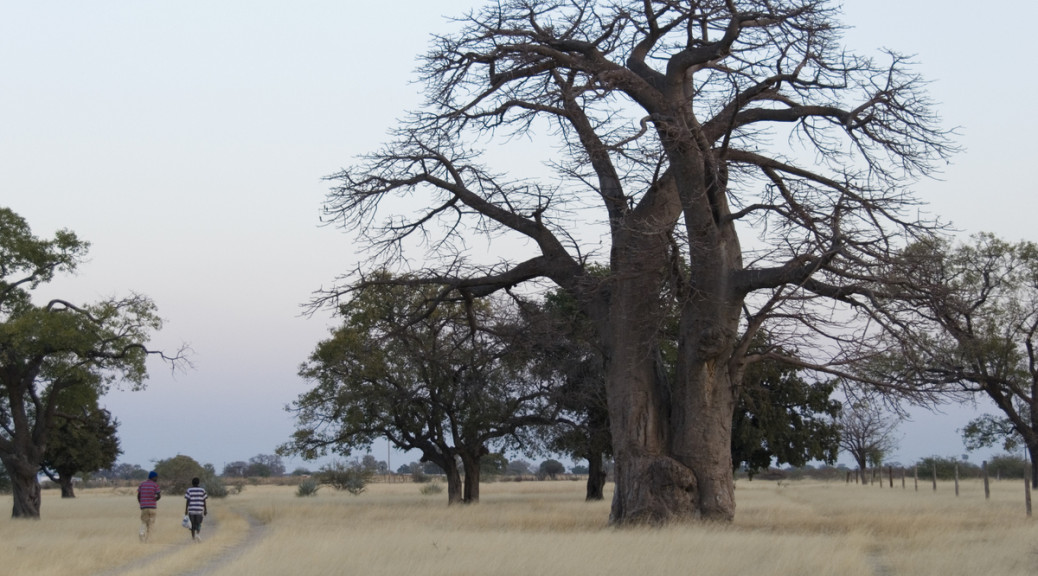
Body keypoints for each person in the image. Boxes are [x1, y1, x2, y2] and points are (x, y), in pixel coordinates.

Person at [137, 471, 161, 542]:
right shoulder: (155, 485)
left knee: (144, 521)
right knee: (151, 523)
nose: (157, 479)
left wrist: (141, 503)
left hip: (144, 507)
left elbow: (138, 495)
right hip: (152, 507)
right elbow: (159, 495)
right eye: (156, 477)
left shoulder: (142, 484)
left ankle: (141, 532)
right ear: (153, 477)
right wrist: (154, 500)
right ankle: (148, 539)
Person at [184, 477, 208, 541]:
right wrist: (205, 509)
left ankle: (193, 538)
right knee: (198, 523)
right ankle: (197, 534)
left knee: (192, 524)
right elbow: (204, 500)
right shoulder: (202, 490)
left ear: (192, 483)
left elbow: (187, 500)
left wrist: (186, 510)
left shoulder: (189, 490)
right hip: (199, 510)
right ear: (199, 483)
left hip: (191, 510)